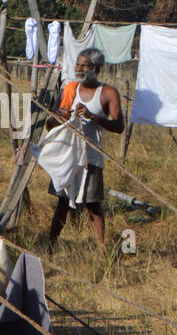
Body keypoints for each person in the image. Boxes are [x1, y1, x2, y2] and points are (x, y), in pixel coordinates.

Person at [48, 47, 123, 248]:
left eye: (84, 65)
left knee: (93, 207)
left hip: (92, 158)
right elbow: (50, 125)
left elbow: (119, 126)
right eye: (78, 64)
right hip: (67, 157)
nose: (79, 69)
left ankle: (100, 251)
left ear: (97, 68)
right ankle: (50, 247)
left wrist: (93, 117)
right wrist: (57, 117)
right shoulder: (69, 90)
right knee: (62, 205)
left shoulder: (107, 93)